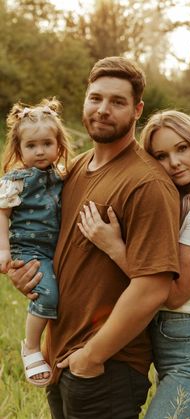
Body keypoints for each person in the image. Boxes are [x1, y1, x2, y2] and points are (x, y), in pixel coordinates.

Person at [7, 57, 180, 419]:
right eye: (96, 98)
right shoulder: (71, 170)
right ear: (84, 100)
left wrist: (92, 357)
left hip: (106, 367)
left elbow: (153, 286)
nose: (103, 109)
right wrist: (28, 275)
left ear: (137, 110)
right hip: (61, 358)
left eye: (117, 102)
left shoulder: (146, 182)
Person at [78, 110, 190, 419]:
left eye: (182, 148)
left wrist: (114, 247)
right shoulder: (177, 204)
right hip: (178, 352)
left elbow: (174, 293)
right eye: (161, 156)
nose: (174, 162)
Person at [0, 98, 72, 387]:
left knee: (62, 295)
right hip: (28, 248)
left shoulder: (60, 176)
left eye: (46, 143)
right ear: (19, 149)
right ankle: (31, 345)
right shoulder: (15, 180)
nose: (40, 151)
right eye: (31, 146)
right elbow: (2, 214)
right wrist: (3, 249)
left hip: (54, 247)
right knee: (47, 295)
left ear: (59, 144)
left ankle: (56, 346)